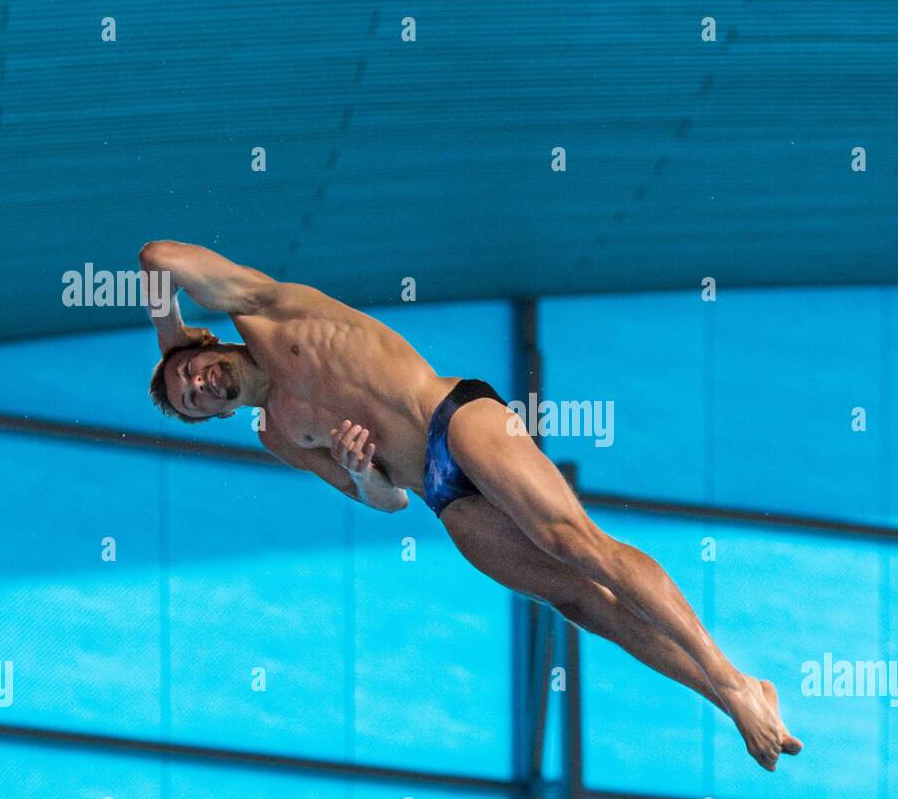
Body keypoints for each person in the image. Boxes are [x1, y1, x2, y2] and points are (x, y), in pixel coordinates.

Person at [139, 240, 802, 770]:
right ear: (217, 415)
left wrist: (169, 340)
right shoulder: (279, 433)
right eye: (194, 401)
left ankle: (731, 680)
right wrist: (359, 469)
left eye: (191, 373)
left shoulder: (263, 308)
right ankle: (735, 694)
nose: (199, 386)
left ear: (204, 346)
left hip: (453, 418)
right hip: (440, 495)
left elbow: (158, 256)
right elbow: (385, 503)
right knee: (576, 600)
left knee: (576, 542)